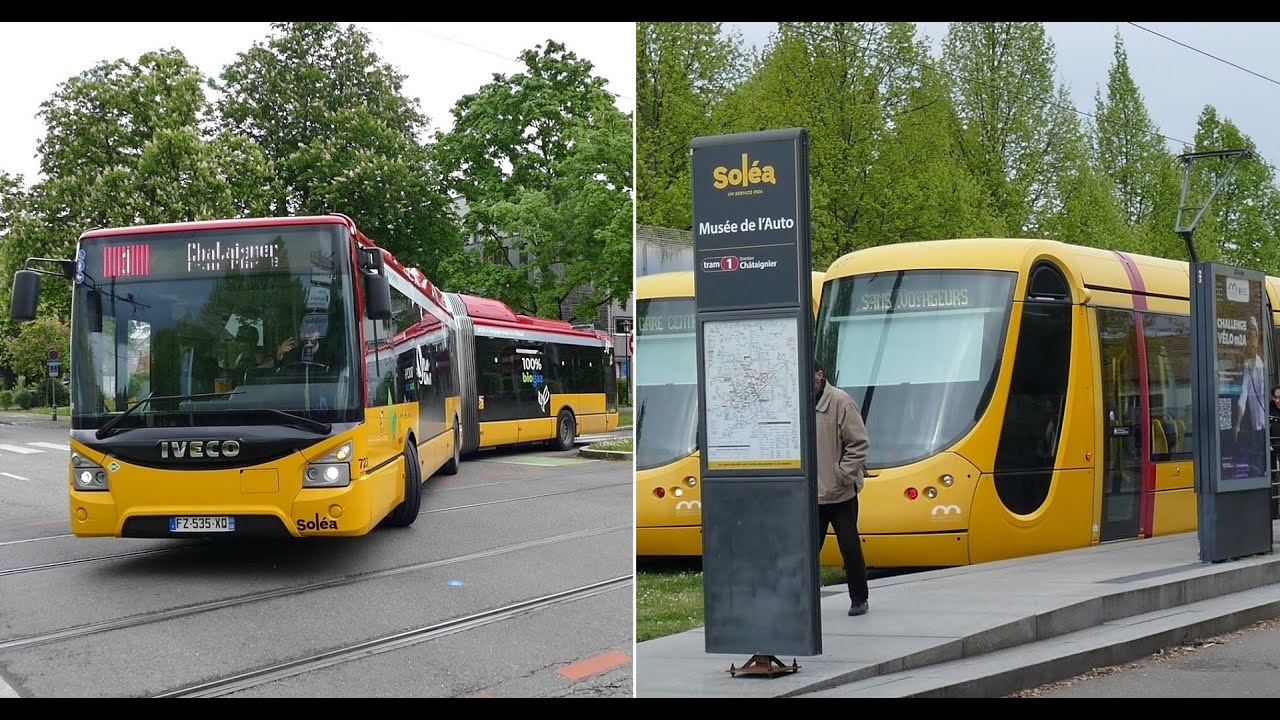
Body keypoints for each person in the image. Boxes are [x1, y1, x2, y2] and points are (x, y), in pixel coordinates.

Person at [814, 358, 871, 617]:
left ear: (819, 375)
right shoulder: (794, 402)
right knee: (806, 550)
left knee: (849, 548)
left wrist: (843, 476)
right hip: (810, 495)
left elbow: (859, 444)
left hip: (840, 493)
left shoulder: (841, 402)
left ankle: (859, 599)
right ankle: (802, 599)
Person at [1233, 318, 1267, 475]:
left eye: (1253, 338)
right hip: (1254, 430)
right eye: (1248, 338)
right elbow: (1243, 395)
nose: (1251, 343)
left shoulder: (1263, 366)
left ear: (1258, 339)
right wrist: (1237, 424)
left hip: (1264, 428)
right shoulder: (1247, 366)